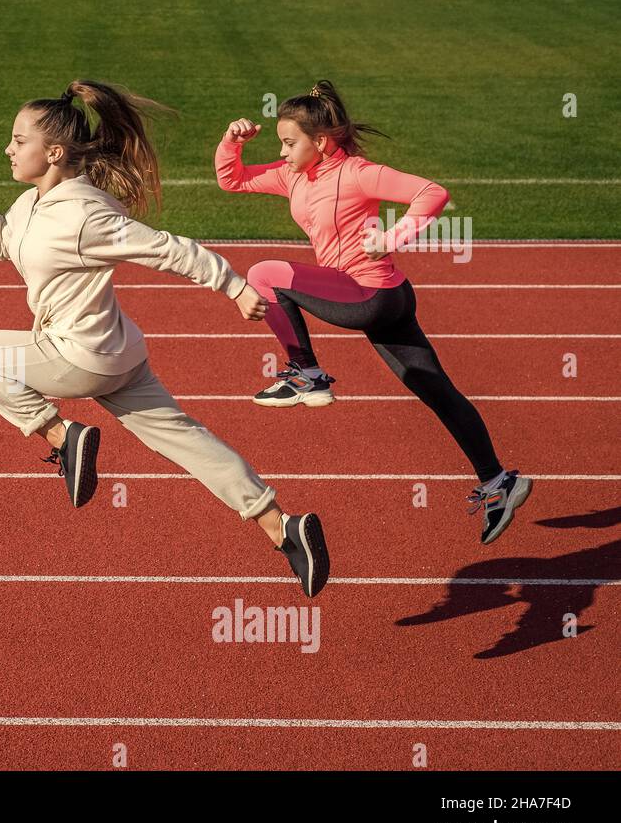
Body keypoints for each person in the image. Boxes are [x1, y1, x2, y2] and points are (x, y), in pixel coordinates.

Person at [0, 79, 330, 597]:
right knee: (188, 441)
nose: (7, 149)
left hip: (80, 356)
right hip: (117, 354)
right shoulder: (30, 205)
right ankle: (283, 528)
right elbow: (9, 245)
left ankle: (65, 439)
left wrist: (234, 286)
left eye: (18, 140)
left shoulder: (85, 215)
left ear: (54, 152)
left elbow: (169, 249)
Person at [215, 79, 531, 545]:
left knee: (264, 273)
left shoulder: (359, 173)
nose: (282, 152)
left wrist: (391, 237)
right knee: (435, 390)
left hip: (369, 296)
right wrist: (232, 141)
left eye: (289, 142)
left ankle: (307, 374)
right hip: (384, 298)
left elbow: (432, 192)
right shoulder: (294, 176)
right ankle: (498, 482)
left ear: (320, 142)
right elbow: (232, 179)